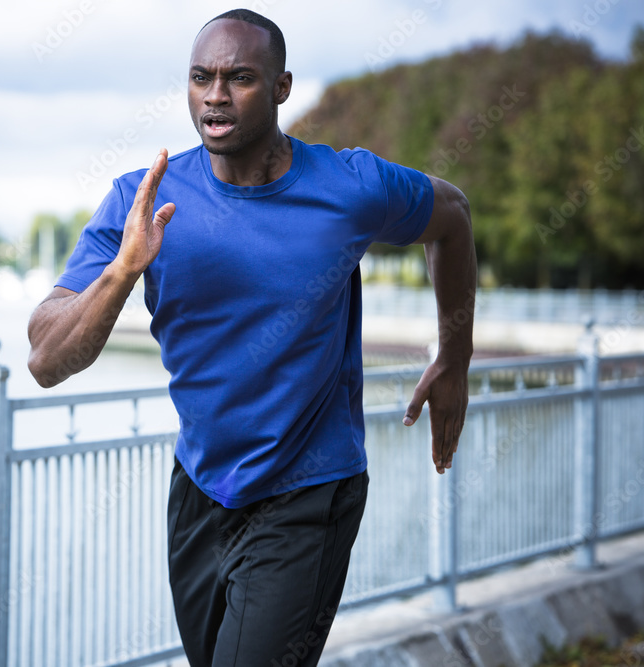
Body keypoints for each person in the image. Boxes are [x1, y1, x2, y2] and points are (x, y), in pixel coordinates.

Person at [27, 8, 476, 666]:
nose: (214, 94)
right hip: (200, 489)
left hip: (308, 493)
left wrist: (455, 357)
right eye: (200, 77)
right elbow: (45, 358)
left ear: (281, 87)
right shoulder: (142, 201)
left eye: (238, 77)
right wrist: (123, 270)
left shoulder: (349, 186)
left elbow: (453, 216)